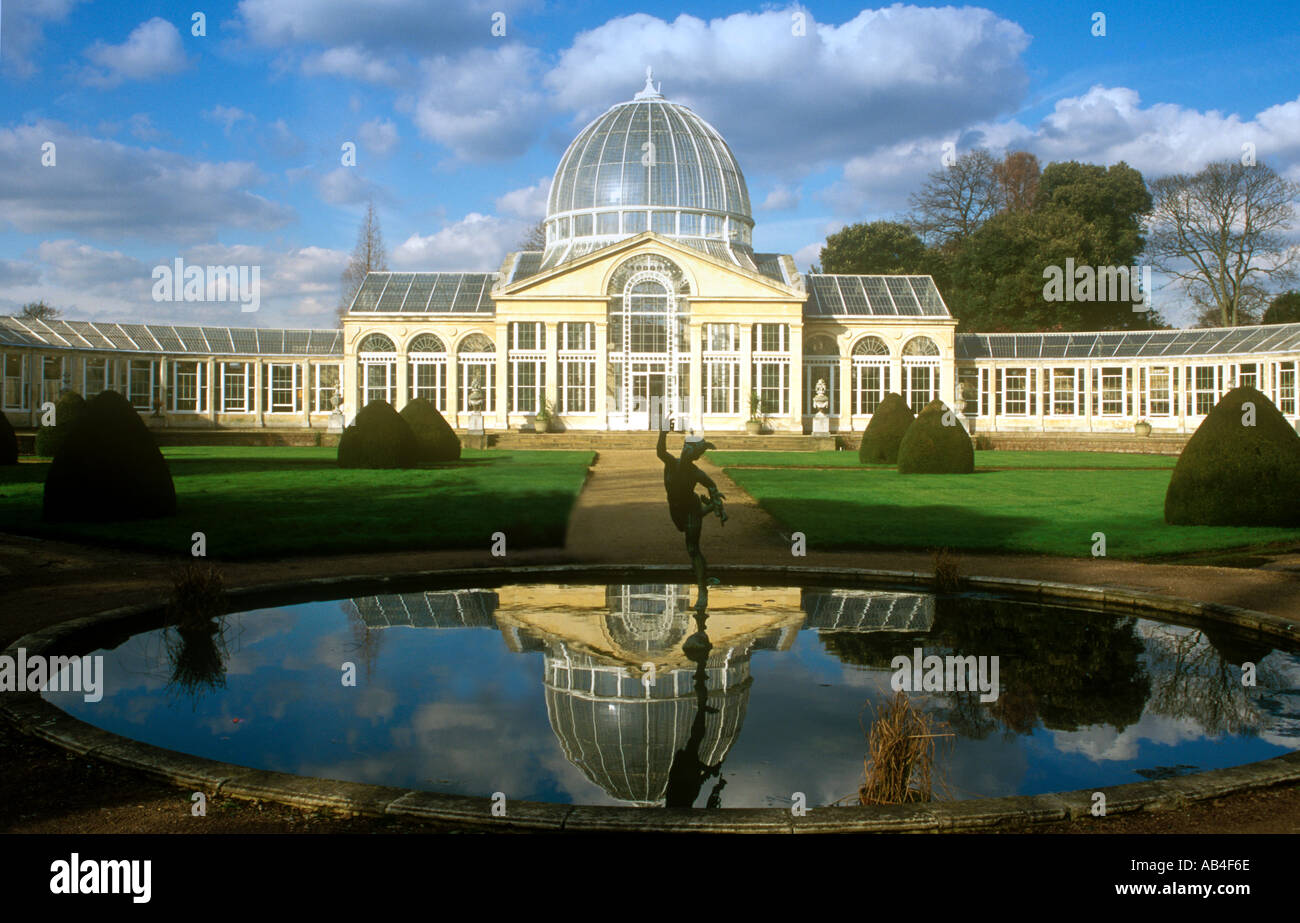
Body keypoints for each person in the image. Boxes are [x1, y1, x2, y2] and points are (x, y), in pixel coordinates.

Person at [656, 421, 726, 607]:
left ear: (695, 456)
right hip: (676, 509)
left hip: (691, 507)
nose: (686, 450)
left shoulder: (696, 473)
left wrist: (716, 498)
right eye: (686, 446)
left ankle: (702, 590)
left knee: (693, 548)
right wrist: (663, 433)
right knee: (682, 528)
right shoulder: (671, 463)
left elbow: (711, 484)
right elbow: (660, 452)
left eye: (691, 449)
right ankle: (708, 508)